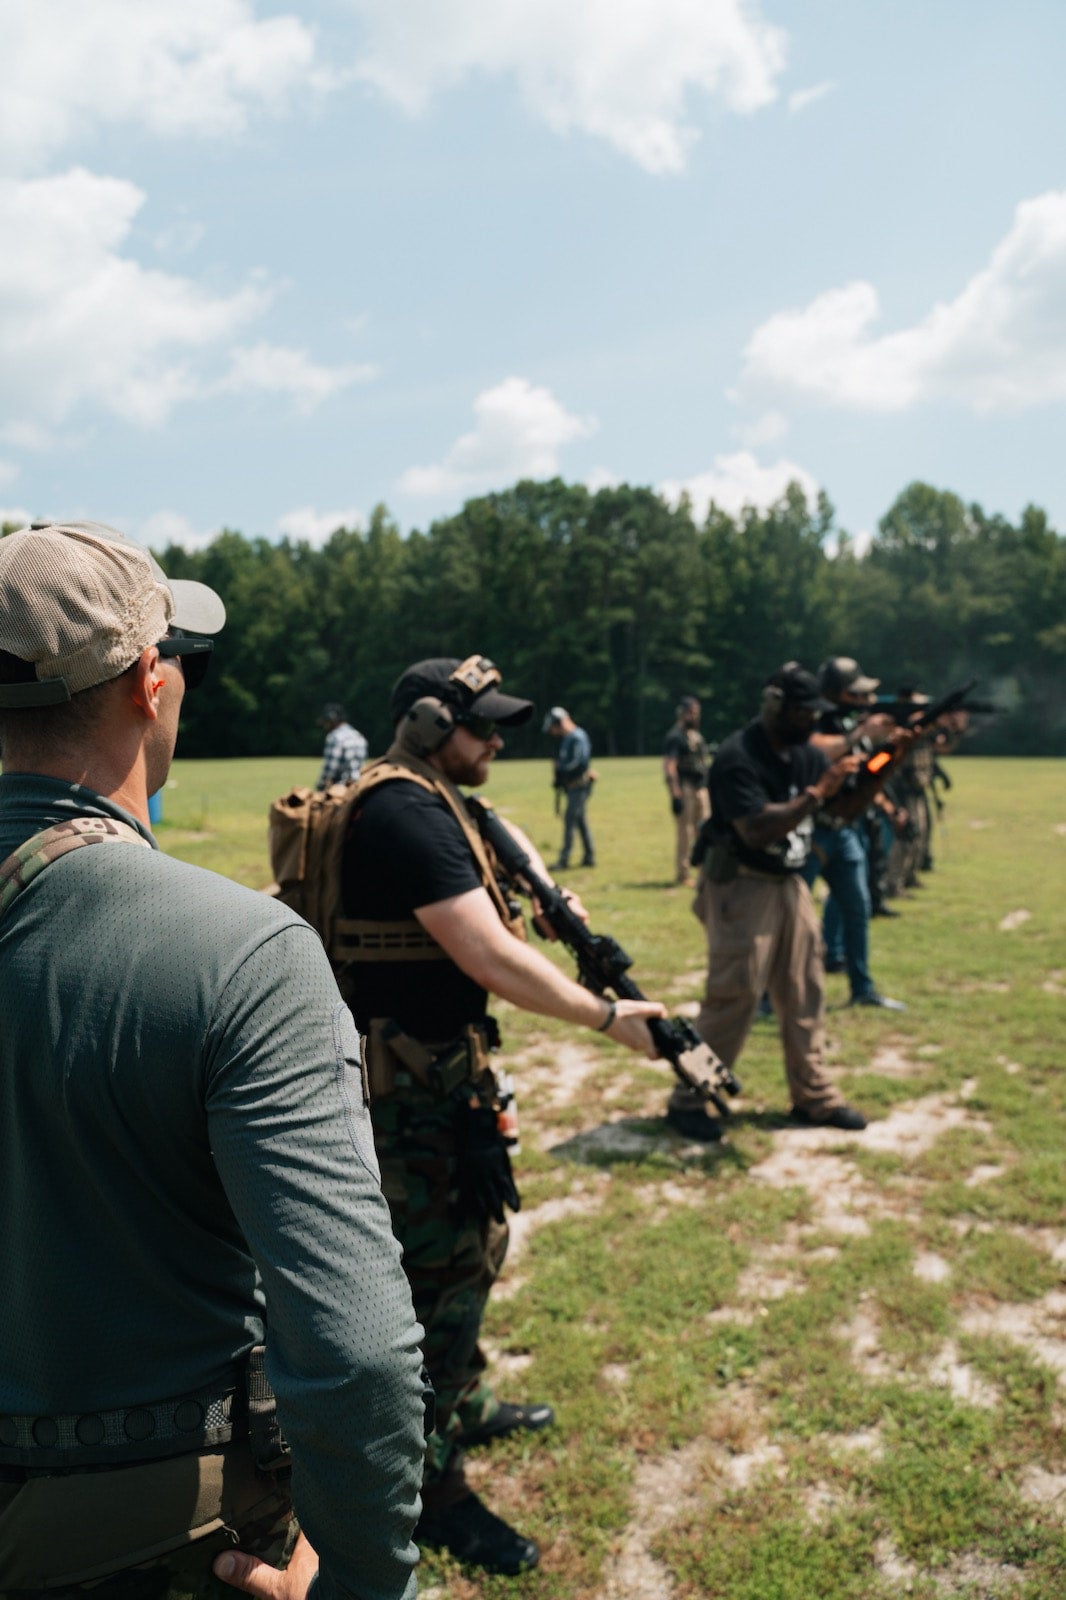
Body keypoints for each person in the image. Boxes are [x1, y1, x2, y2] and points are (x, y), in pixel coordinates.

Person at [0, 522, 425, 1600]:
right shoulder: (242, 951)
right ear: (150, 680)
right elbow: (358, 1349)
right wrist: (365, 1585)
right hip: (152, 1537)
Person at [339, 657, 664, 1575]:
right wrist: (604, 1018)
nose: (499, 741)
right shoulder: (405, 811)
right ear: (434, 723)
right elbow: (485, 954)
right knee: (434, 1282)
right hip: (412, 1100)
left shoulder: (438, 801)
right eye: (483, 726)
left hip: (439, 1083)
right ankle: (433, 1493)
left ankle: (461, 1407)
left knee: (469, 1253)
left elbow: (503, 908)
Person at [668, 663, 869, 1141]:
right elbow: (757, 829)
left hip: (789, 884)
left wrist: (880, 768)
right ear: (776, 706)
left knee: (806, 990)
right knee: (730, 996)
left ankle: (812, 1096)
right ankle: (688, 1096)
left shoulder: (804, 754)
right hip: (740, 884)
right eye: (804, 712)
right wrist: (819, 792)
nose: (813, 723)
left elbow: (839, 810)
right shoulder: (739, 756)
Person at [804, 657, 907, 1011]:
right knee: (792, 916)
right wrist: (860, 735)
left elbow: (868, 770)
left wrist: (892, 749)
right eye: (855, 694)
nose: (864, 701)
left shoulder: (851, 726)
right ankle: (771, 996)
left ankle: (862, 987)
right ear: (837, 693)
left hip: (844, 831)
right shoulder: (814, 723)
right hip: (811, 831)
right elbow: (815, 749)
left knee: (857, 909)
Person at [662, 695, 711, 885]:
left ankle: (705, 871)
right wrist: (675, 793)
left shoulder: (697, 736)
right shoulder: (675, 737)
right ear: (682, 714)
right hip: (686, 788)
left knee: (704, 830)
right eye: (691, 712)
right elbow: (669, 766)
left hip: (701, 788)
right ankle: (683, 874)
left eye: (697, 713)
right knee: (685, 832)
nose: (695, 716)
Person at [543, 705, 595, 869]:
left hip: (579, 786)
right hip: (572, 787)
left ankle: (564, 859)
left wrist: (560, 770)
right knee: (580, 821)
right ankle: (589, 856)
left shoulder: (577, 737)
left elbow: (578, 763)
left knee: (570, 820)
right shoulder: (567, 738)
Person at [316, 701, 368, 789]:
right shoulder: (358, 735)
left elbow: (330, 768)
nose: (325, 725)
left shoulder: (335, 737)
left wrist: (320, 786)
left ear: (332, 720)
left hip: (341, 788)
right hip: (359, 786)